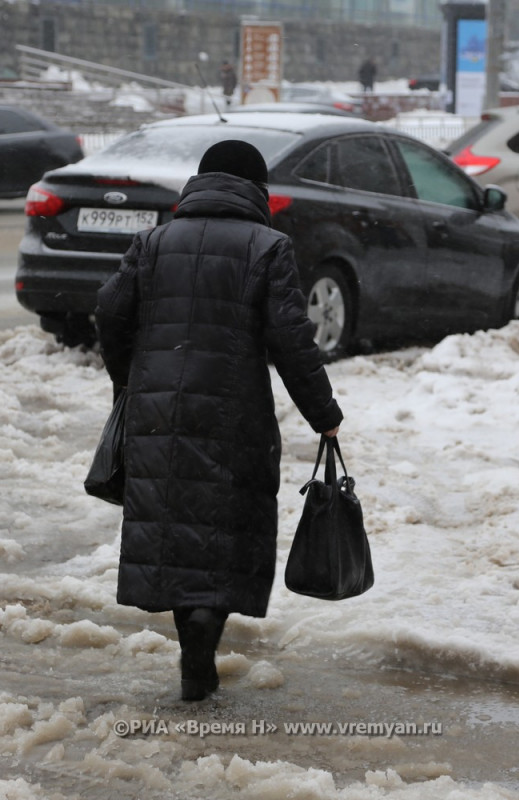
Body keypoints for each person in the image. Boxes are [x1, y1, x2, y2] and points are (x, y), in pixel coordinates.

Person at [95, 140, 343, 702]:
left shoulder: (152, 242)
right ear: (256, 190)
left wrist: (128, 381)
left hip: (158, 413)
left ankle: (193, 651)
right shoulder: (269, 247)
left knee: (175, 530)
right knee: (224, 533)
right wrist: (323, 414)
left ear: (199, 183)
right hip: (236, 416)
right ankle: (207, 628)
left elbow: (110, 310)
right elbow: (293, 342)